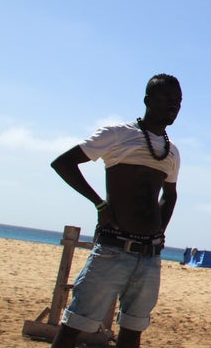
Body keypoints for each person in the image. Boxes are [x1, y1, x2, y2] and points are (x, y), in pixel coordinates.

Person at [49, 74, 183, 348]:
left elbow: (169, 196)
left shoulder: (171, 152)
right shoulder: (118, 135)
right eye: (167, 99)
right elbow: (63, 163)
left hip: (149, 256)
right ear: (148, 100)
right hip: (112, 250)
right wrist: (99, 204)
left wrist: (160, 231)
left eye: (178, 101)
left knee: (133, 330)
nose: (174, 105)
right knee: (75, 325)